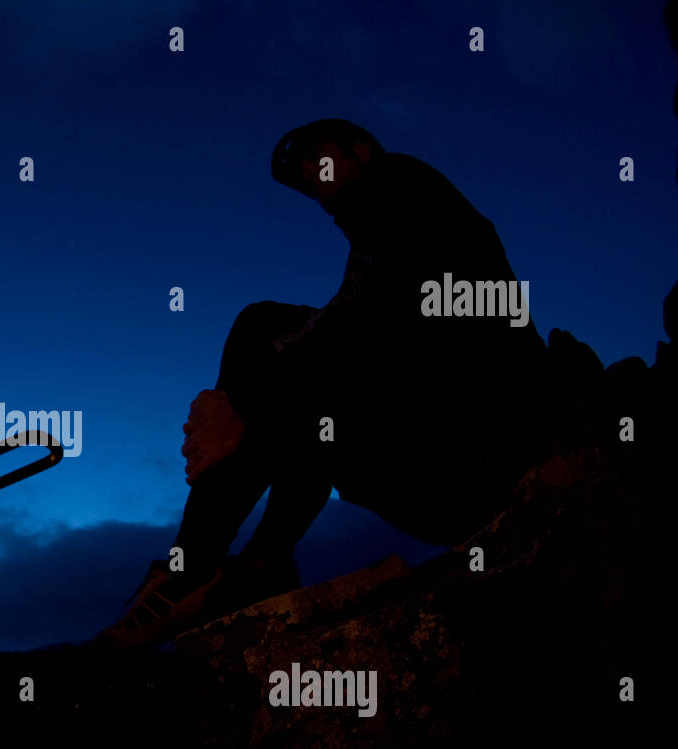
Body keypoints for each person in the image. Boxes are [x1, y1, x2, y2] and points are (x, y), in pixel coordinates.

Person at [98, 118, 550, 647]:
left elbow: (378, 334)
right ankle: (256, 564)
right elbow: (347, 342)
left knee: (267, 336)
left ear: (360, 150)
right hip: (450, 446)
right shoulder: (377, 238)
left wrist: (242, 408)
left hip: (477, 450)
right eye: (307, 179)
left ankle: (199, 566)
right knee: (272, 339)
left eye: (319, 159)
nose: (313, 178)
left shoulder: (406, 190)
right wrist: (244, 406)